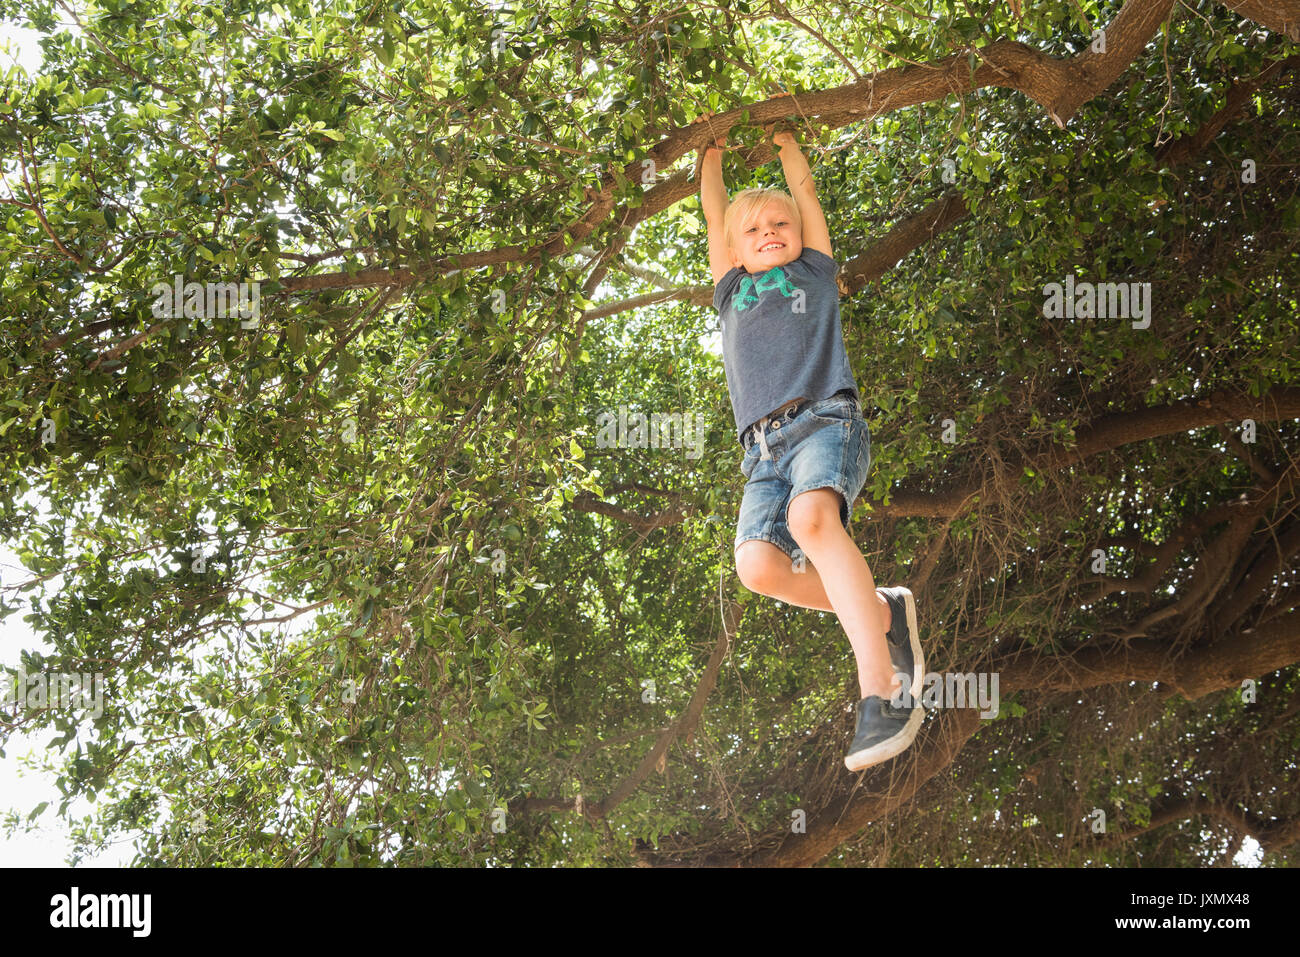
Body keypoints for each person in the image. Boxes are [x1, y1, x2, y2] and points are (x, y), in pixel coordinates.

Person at [696, 117, 926, 771]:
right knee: (757, 568)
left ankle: (881, 693)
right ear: (735, 249)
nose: (769, 233)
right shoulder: (730, 291)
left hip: (826, 422)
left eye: (780, 224)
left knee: (811, 520)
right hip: (762, 455)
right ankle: (883, 611)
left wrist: (788, 146)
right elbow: (714, 212)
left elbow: (806, 196)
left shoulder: (815, 273)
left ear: (799, 233)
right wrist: (709, 154)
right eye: (754, 231)